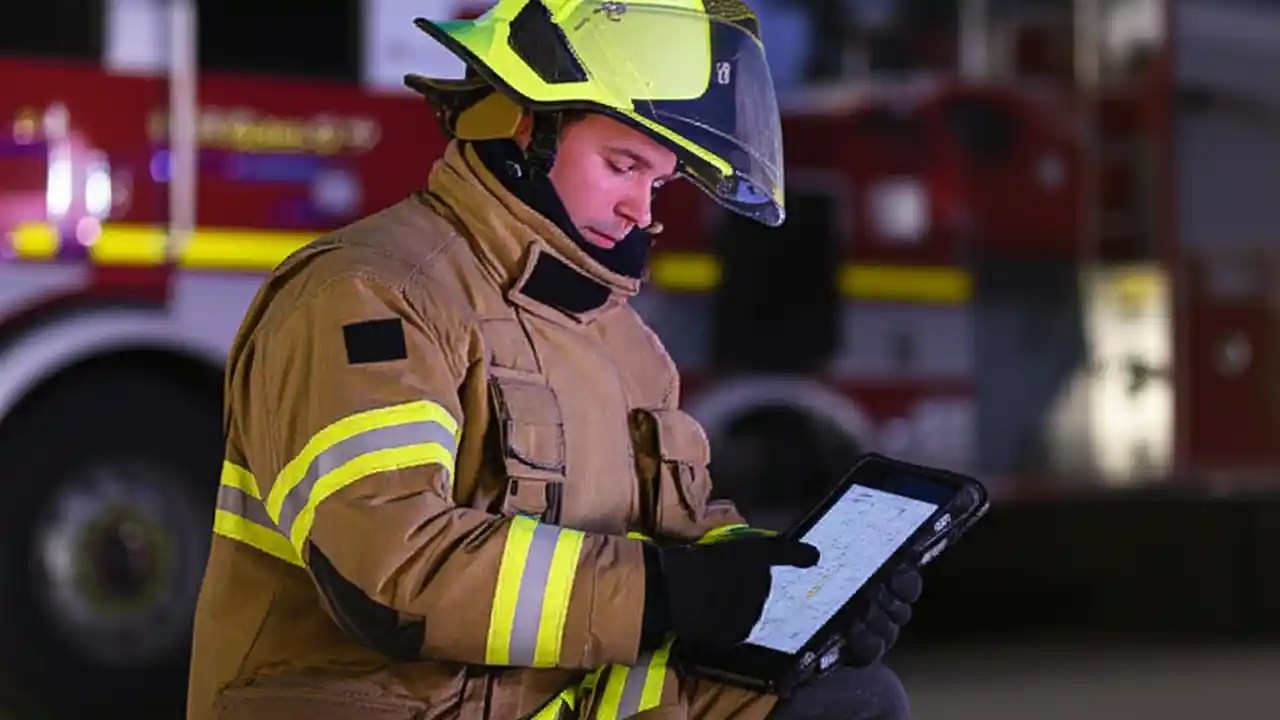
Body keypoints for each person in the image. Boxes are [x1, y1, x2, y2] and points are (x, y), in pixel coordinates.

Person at [186, 1, 923, 718]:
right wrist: (672, 592)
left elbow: (680, 536)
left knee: (849, 700)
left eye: (657, 182)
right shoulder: (369, 296)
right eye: (622, 165)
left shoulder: (626, 346)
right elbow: (392, 578)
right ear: (522, 126)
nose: (642, 210)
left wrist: (791, 586)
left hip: (548, 703)